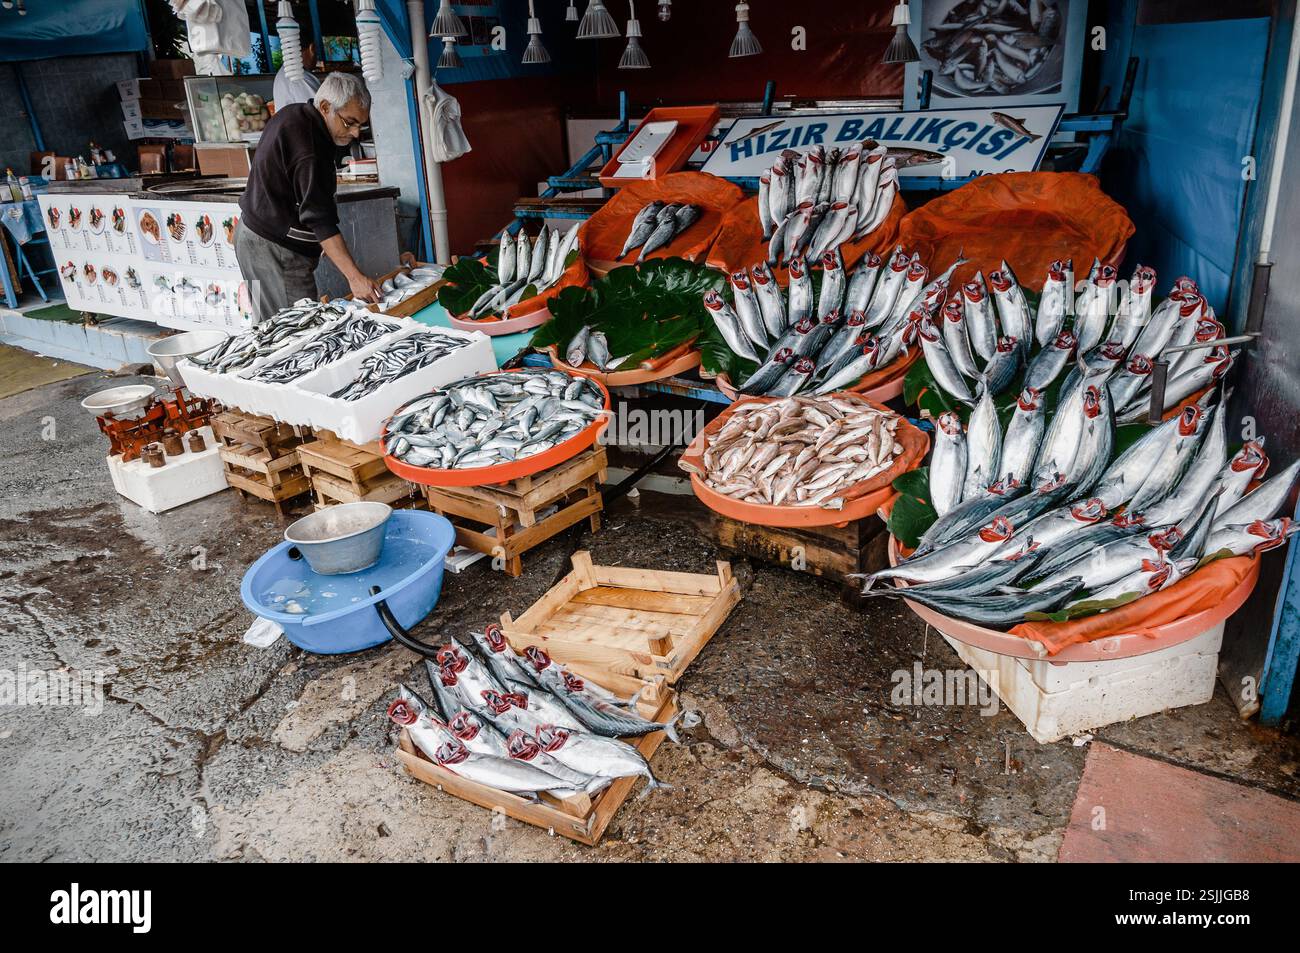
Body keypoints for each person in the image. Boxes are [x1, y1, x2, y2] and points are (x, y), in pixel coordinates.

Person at [234, 71, 381, 324]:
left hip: (254, 237)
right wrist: (355, 277)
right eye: (350, 122)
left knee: (271, 324)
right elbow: (319, 218)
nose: (356, 133)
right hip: (274, 249)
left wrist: (316, 242)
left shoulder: (296, 114)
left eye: (361, 125)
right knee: (297, 331)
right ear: (325, 107)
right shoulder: (310, 146)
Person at [272, 39, 321, 109]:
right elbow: (322, 111)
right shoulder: (299, 77)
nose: (317, 57)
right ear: (311, 48)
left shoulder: (283, 72)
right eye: (317, 52)